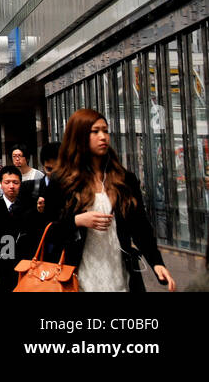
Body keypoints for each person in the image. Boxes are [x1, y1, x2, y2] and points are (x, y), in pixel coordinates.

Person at [48, 108, 176, 292]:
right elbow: (47, 230)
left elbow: (140, 226)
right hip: (78, 279)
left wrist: (157, 263)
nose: (103, 137)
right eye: (95, 131)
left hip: (120, 277)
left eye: (105, 131)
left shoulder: (124, 179)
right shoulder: (62, 181)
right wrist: (77, 221)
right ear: (79, 135)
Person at [0, 165, 33, 293]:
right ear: (0, 184)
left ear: (20, 184)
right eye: (7, 182)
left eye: (15, 182)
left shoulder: (29, 208)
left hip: (24, 268)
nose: (11, 186)